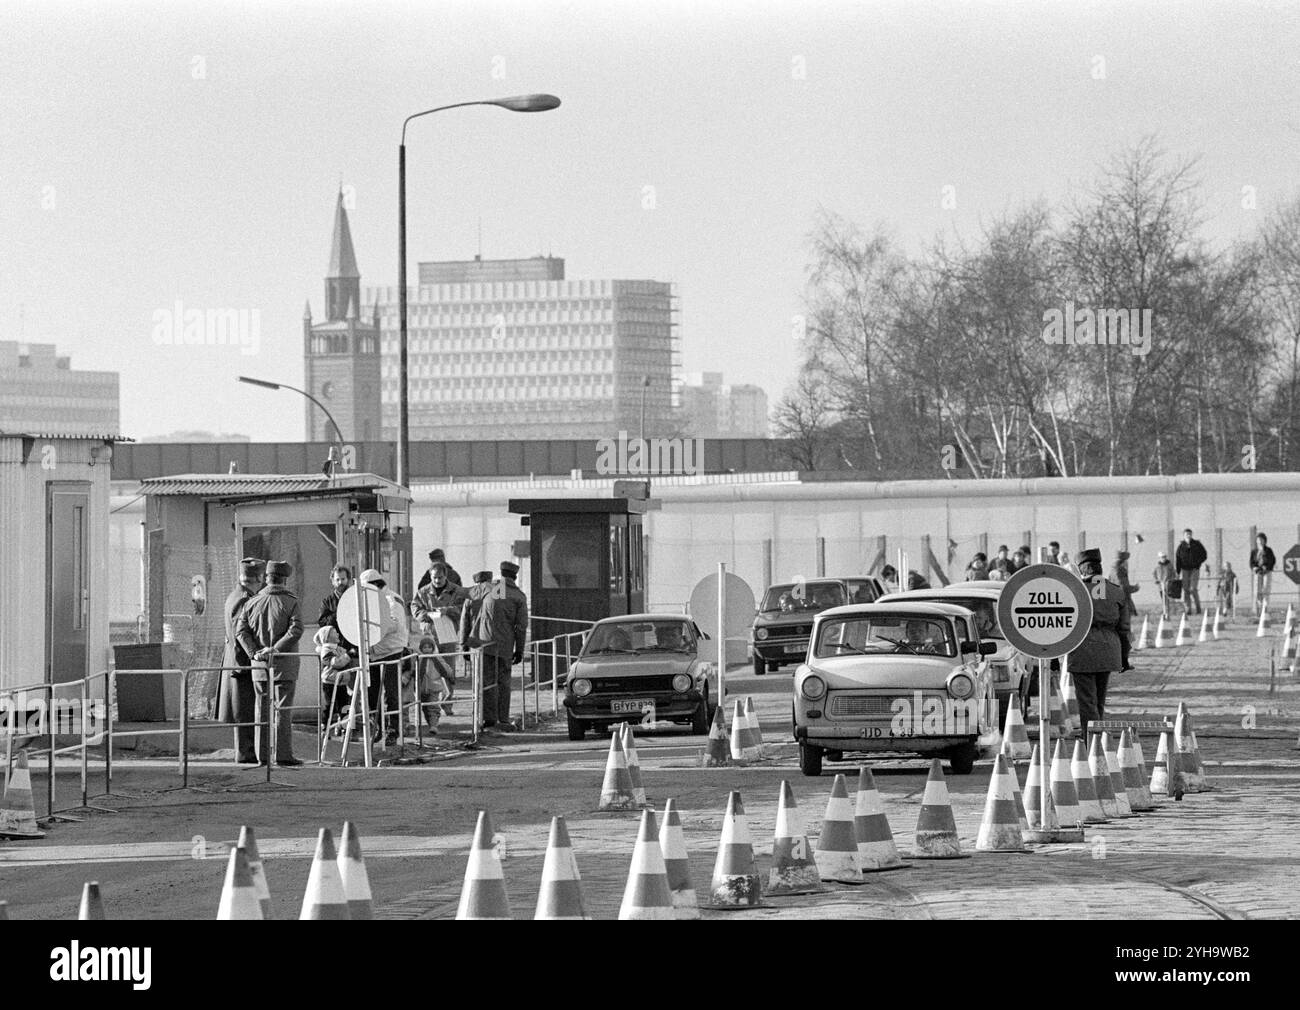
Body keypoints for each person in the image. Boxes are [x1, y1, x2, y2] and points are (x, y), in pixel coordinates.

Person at [234, 560, 304, 766]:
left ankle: (262, 755)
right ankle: (283, 755)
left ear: (266, 578)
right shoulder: (291, 602)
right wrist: (276, 649)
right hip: (285, 665)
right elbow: (296, 630)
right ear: (284, 579)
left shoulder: (252, 602)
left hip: (260, 666)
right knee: (282, 710)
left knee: (261, 709)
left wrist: (254, 652)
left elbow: (241, 631)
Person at [1068, 548, 1129, 740]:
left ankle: (1093, 745)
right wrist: (1124, 657)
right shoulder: (1115, 591)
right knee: (1099, 701)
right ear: (1100, 567)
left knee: (1087, 702)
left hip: (1082, 648)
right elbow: (1124, 629)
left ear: (1082, 570)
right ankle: (1098, 740)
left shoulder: (1075, 590)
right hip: (1109, 649)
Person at [470, 561, 529, 732]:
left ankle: (488, 719)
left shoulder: (489, 591)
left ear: (500, 574)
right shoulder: (518, 596)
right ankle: (502, 718)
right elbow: (521, 626)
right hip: (504, 646)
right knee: (503, 682)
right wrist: (519, 649)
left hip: (484, 643)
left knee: (486, 681)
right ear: (515, 577)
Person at [358, 568, 411, 747]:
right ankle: (378, 727)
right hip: (373, 652)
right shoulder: (373, 600)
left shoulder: (392, 600)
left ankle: (392, 730)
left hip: (391, 651)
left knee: (391, 694)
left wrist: (371, 630)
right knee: (372, 693)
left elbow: (394, 624)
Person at [220, 557, 264, 765]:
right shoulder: (244, 600)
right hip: (242, 664)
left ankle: (246, 751)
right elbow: (241, 633)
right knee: (245, 712)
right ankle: (246, 753)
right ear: (256, 579)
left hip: (237, 662)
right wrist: (253, 655)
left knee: (243, 710)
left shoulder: (235, 595)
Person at [1108, 550, 1139, 671]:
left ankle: (1122, 662)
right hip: (1123, 605)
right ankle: (1123, 663)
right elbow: (1123, 587)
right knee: (1124, 634)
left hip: (1117, 604)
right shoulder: (1119, 570)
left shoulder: (1112, 570)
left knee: (1121, 634)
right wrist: (1134, 588)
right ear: (1123, 561)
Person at [316, 565, 354, 645]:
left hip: (354, 646)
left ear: (348, 580)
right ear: (333, 581)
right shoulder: (327, 602)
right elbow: (323, 623)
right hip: (336, 646)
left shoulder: (355, 598)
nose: (340, 582)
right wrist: (338, 614)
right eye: (337, 580)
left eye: (343, 579)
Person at [1175, 529, 1208, 616]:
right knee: (1186, 590)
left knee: (1193, 589)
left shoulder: (1197, 544)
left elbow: (1204, 555)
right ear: (1183, 535)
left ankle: (1198, 608)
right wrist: (1178, 572)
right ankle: (1188, 609)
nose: (1188, 535)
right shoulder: (1181, 547)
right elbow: (1178, 560)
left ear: (1191, 535)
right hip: (1185, 570)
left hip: (1194, 569)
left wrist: (1198, 563)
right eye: (1186, 534)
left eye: (1189, 534)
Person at [1249, 532, 1276, 616]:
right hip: (1258, 573)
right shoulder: (1254, 551)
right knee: (1257, 590)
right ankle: (1258, 608)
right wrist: (1254, 567)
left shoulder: (1268, 550)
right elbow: (1251, 562)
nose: (1260, 541)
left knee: (1265, 589)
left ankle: (1265, 609)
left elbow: (1272, 560)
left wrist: (1266, 567)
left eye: (1261, 539)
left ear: (1265, 541)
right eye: (1258, 540)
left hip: (1266, 572)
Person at [1153, 551, 1176, 619]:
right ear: (1159, 558)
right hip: (1161, 585)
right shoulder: (1157, 566)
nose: (1164, 558)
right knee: (1163, 599)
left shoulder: (1169, 565)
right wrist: (1156, 580)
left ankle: (1167, 612)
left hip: (1168, 584)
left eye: (1164, 557)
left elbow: (1173, 574)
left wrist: (1171, 580)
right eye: (1162, 557)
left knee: (1166, 598)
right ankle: (1164, 611)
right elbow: (1154, 574)